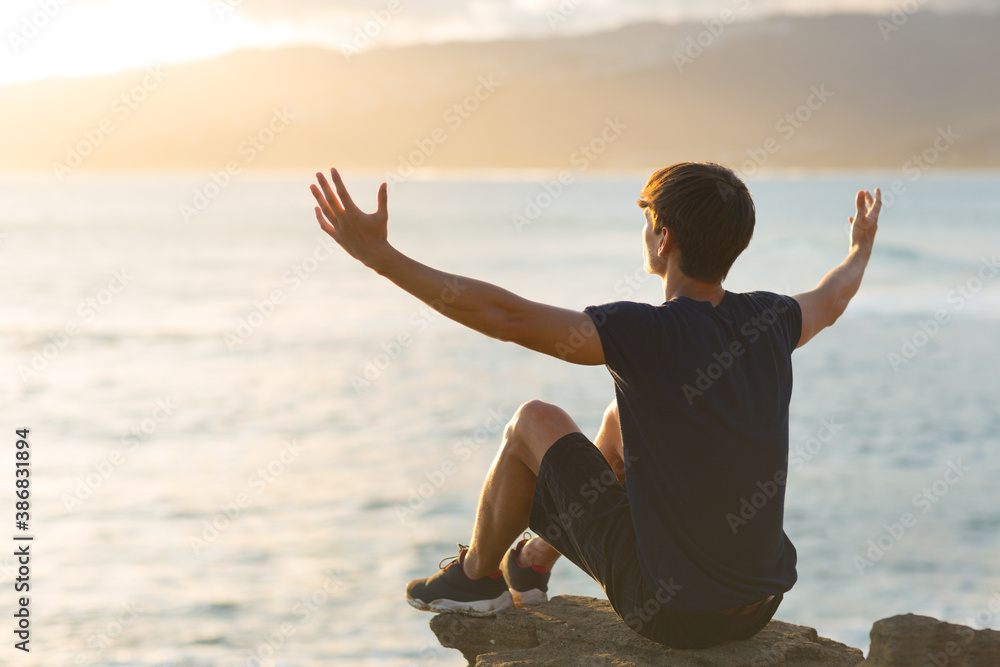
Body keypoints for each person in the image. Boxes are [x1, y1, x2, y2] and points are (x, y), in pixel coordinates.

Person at [309, 162, 880, 649]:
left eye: (647, 223)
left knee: (534, 420)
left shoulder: (644, 331)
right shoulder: (772, 319)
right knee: (618, 419)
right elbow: (833, 296)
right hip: (759, 606)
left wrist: (381, 258)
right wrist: (859, 248)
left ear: (664, 240)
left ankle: (475, 578)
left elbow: (507, 318)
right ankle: (533, 562)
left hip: (671, 615)